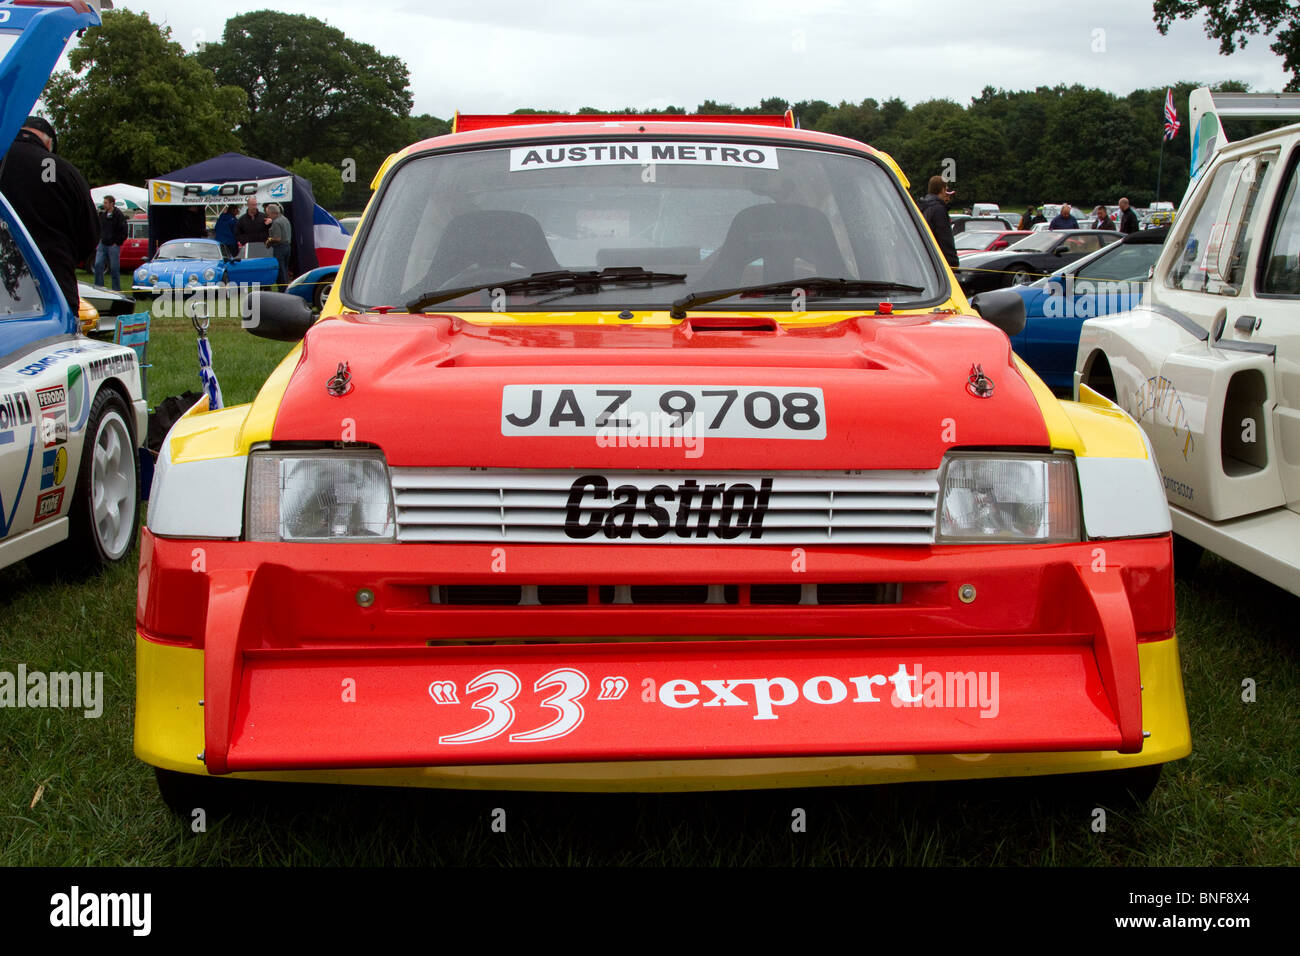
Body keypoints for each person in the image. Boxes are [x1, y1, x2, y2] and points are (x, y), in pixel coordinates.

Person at [0, 116, 98, 313]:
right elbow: (90, 235)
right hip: (54, 287)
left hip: (5, 285)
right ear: (48, 142)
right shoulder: (64, 171)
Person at [918, 175, 959, 269]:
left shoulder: (921, 206)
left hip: (924, 259)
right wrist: (953, 263)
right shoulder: (939, 210)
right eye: (946, 189)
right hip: (937, 263)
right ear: (943, 190)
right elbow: (945, 238)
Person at [93, 194, 129, 290]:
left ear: (112, 204)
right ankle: (98, 286)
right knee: (98, 264)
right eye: (104, 202)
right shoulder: (103, 215)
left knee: (114, 268)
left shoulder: (119, 215)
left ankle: (116, 289)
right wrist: (100, 238)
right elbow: (99, 228)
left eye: (106, 203)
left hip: (113, 245)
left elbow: (124, 230)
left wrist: (117, 242)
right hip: (103, 243)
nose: (104, 204)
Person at [266, 203, 292, 285]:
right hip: (287, 247)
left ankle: (282, 288)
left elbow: (278, 238)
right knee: (285, 268)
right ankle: (287, 285)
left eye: (268, 214)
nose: (268, 216)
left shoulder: (276, 222)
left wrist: (269, 239)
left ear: (273, 213)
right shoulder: (285, 219)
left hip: (280, 248)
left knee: (280, 270)